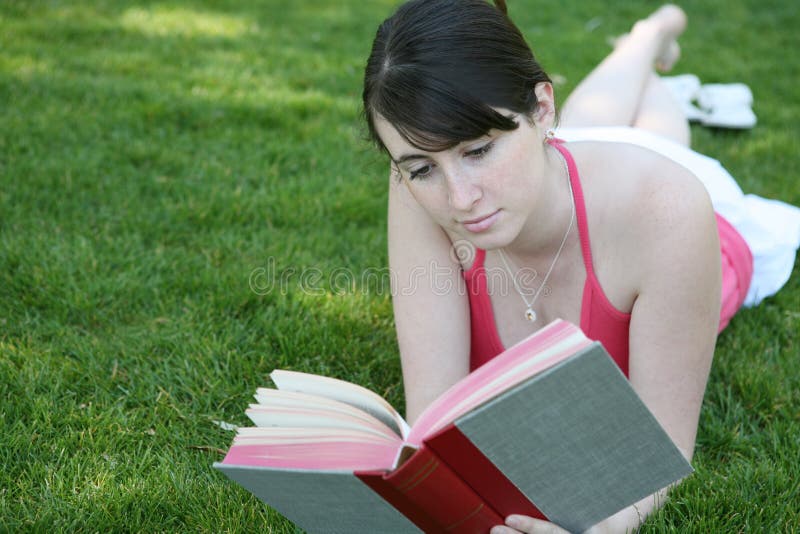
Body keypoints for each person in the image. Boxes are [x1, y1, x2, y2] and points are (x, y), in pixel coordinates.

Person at [362, 1, 800, 532]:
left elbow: (664, 448)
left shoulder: (669, 212)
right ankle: (646, 41)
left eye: (477, 151)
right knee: (598, 123)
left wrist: (602, 528)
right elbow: (433, 421)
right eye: (422, 168)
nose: (460, 199)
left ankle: (650, 33)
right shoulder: (425, 187)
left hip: (658, 216)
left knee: (659, 142)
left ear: (542, 107)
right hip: (557, 172)